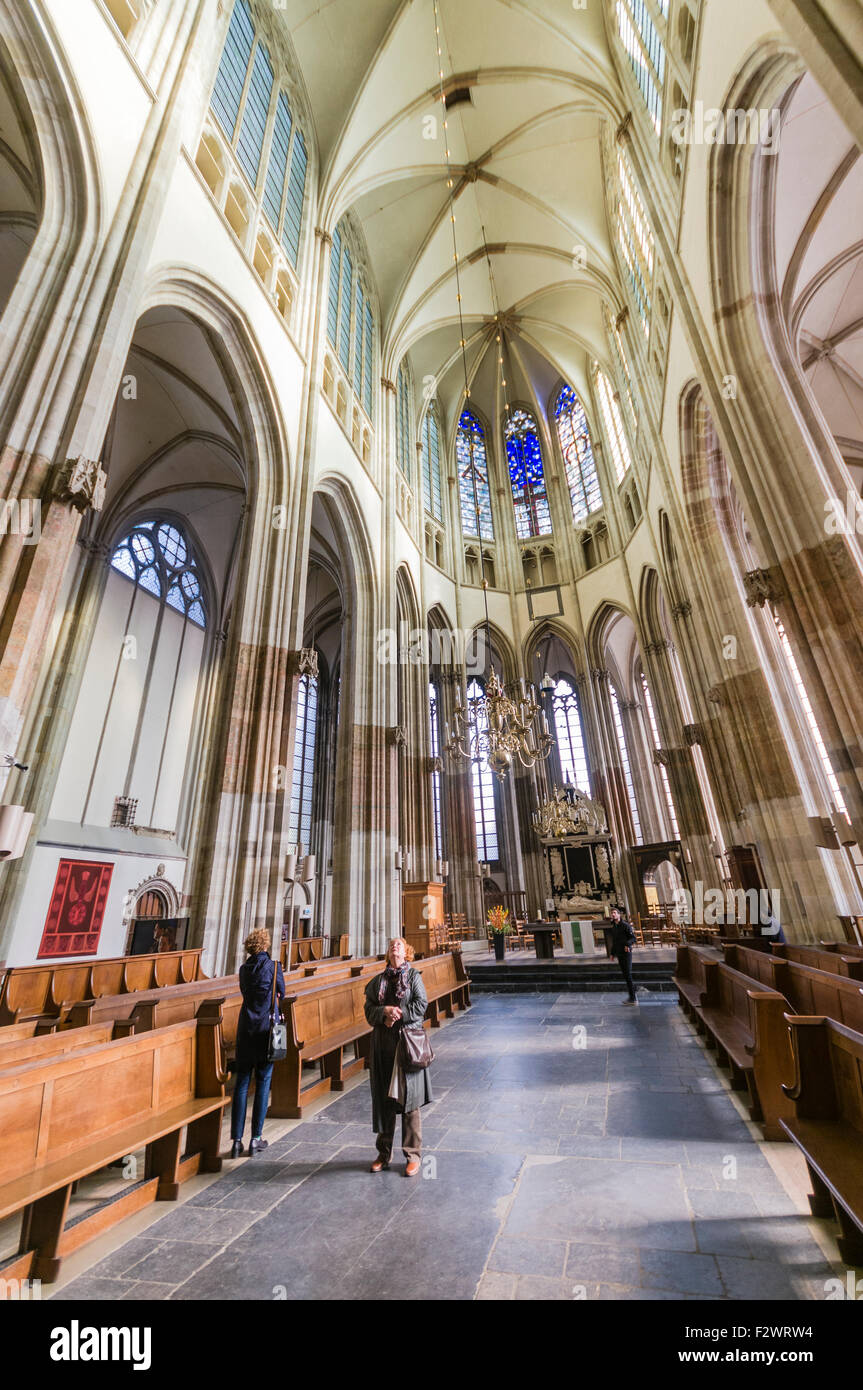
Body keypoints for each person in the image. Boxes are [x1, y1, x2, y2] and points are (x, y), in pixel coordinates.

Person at [363, 936, 433, 1176]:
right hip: (383, 1045)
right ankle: (384, 1153)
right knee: (385, 1100)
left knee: (409, 1101)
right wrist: (384, 1012)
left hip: (406, 1044)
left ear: (407, 952)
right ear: (388, 953)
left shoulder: (413, 977)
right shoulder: (377, 981)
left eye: (400, 944)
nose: (395, 946)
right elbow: (368, 1009)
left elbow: (421, 1004)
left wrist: (399, 1013)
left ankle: (412, 1155)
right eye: (392, 944)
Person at [229, 927, 286, 1158]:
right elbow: (281, 992)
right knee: (263, 1082)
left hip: (245, 1029)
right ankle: (255, 1139)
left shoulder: (244, 969)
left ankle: (235, 1141)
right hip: (266, 1031)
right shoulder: (273, 968)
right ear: (265, 946)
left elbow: (245, 992)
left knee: (242, 1083)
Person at [609, 906, 638, 1005]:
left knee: (628, 975)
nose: (613, 914)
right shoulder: (614, 927)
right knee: (626, 975)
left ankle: (633, 998)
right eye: (611, 913)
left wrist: (628, 945)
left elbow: (633, 938)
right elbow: (615, 942)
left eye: (614, 913)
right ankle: (632, 995)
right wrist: (612, 954)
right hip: (619, 953)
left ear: (618, 914)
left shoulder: (625, 925)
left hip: (626, 953)